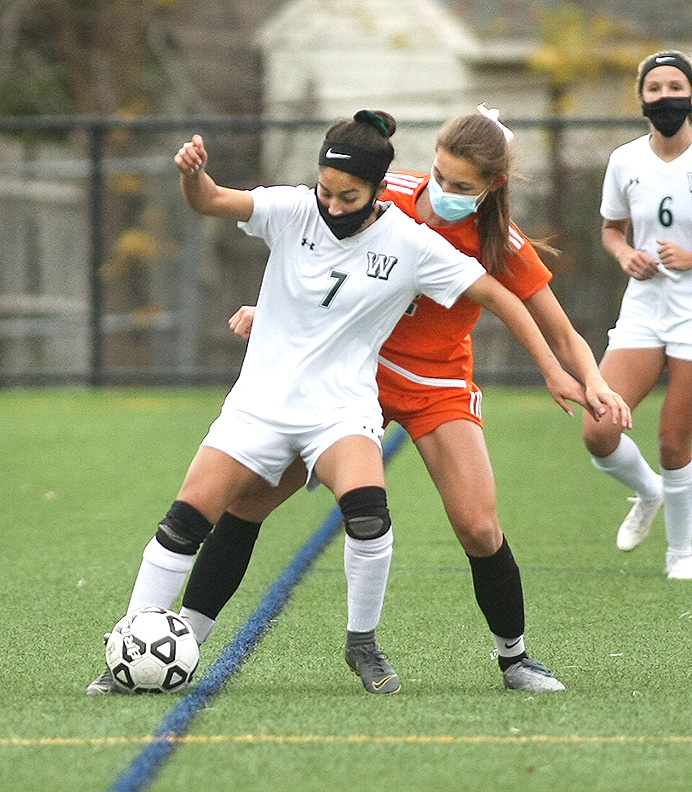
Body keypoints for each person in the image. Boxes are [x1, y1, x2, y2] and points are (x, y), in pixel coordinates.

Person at [87, 108, 597, 697]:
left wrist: (559, 372)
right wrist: (267, 303)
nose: (445, 192)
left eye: (462, 186)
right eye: (440, 177)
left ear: (491, 188)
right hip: (339, 381)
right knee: (232, 509)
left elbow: (510, 301)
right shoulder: (311, 204)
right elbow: (219, 206)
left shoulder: (441, 241)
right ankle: (163, 642)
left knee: (472, 526)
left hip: (407, 387)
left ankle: (502, 657)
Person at [582, 51, 692, 579]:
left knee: (674, 442)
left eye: (676, 86)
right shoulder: (625, 160)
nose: (666, 96)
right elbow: (611, 229)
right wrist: (625, 254)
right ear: (641, 98)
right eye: (655, 88)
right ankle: (647, 492)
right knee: (598, 427)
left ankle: (682, 554)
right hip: (644, 308)